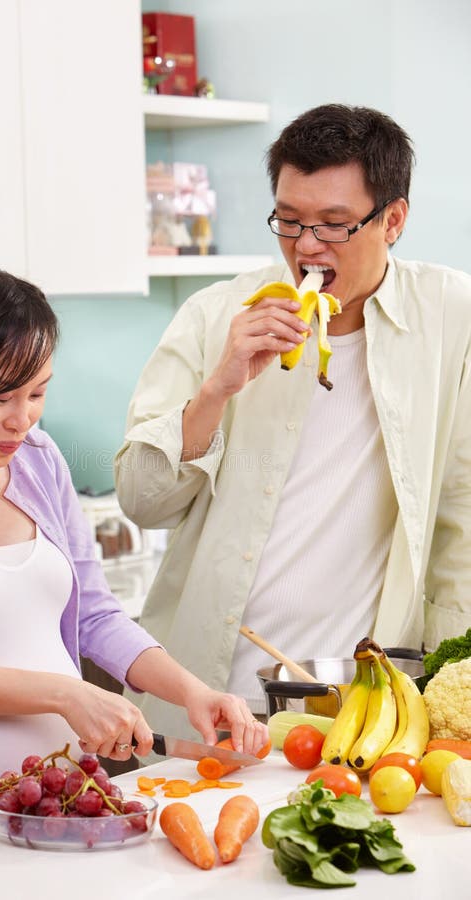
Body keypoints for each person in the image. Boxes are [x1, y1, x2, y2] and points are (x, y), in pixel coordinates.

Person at [0, 265, 268, 850]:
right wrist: (66, 693)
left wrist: (192, 693)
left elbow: (96, 617)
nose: (22, 418)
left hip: (55, 809)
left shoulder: (37, 457)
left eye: (37, 393)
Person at [114, 103, 471, 739]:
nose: (305, 246)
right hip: (211, 694)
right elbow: (142, 500)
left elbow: (461, 510)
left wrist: (448, 679)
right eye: (289, 220)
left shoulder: (451, 315)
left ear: (393, 220)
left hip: (364, 706)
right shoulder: (213, 315)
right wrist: (219, 387)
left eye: (334, 225)